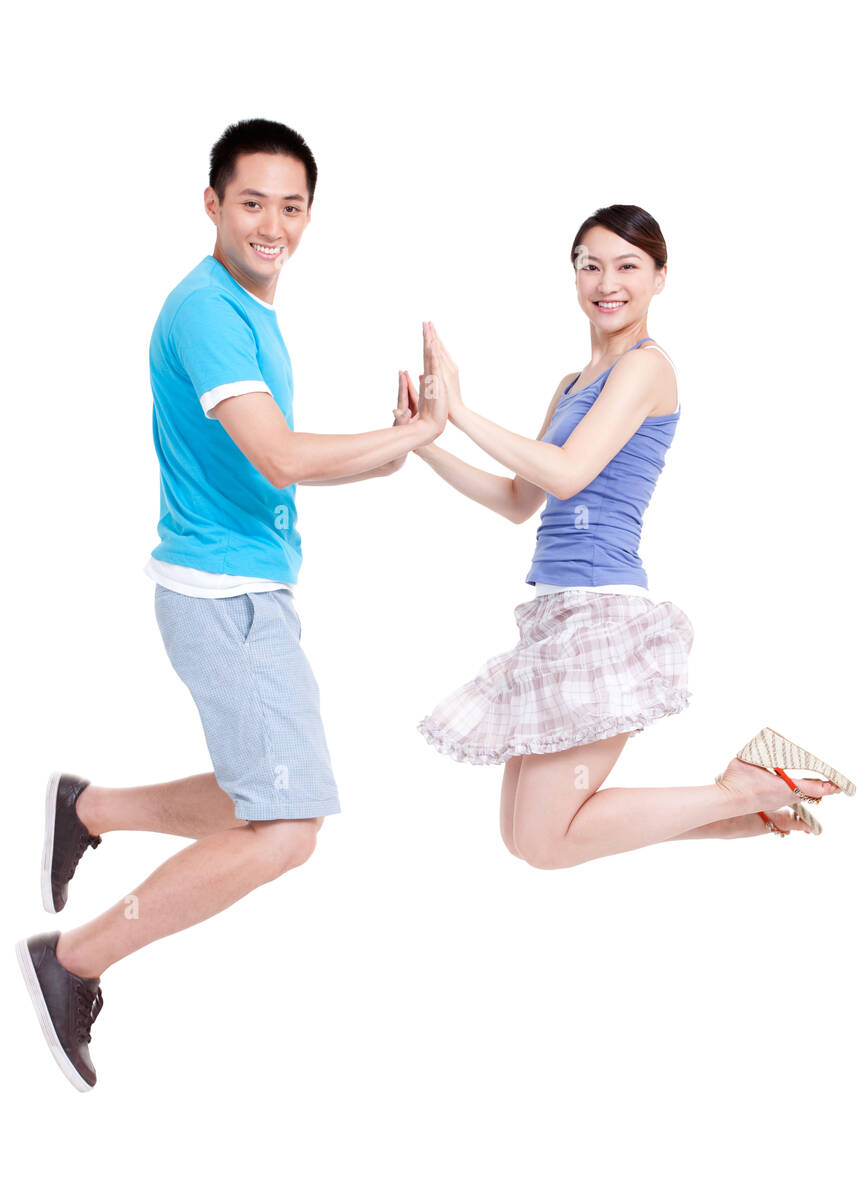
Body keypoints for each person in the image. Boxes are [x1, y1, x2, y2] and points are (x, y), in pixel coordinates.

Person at [17, 118, 446, 1091]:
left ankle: (88, 809)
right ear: (211, 203)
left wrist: (397, 443)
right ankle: (74, 958)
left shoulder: (245, 306)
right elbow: (283, 456)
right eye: (252, 202)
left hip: (237, 590)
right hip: (226, 600)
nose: (273, 224)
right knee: (288, 828)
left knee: (276, 789)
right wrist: (412, 439)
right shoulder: (211, 312)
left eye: (291, 206)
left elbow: (280, 472)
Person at [411, 205, 854, 869]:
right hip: (554, 614)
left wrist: (463, 411)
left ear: (660, 277)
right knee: (525, 835)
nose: (606, 281)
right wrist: (425, 442)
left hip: (602, 613)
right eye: (590, 265)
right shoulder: (571, 384)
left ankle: (740, 790)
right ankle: (746, 809)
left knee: (541, 840)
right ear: (575, 277)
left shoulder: (647, 369)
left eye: (627, 266)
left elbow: (566, 475)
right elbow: (516, 499)